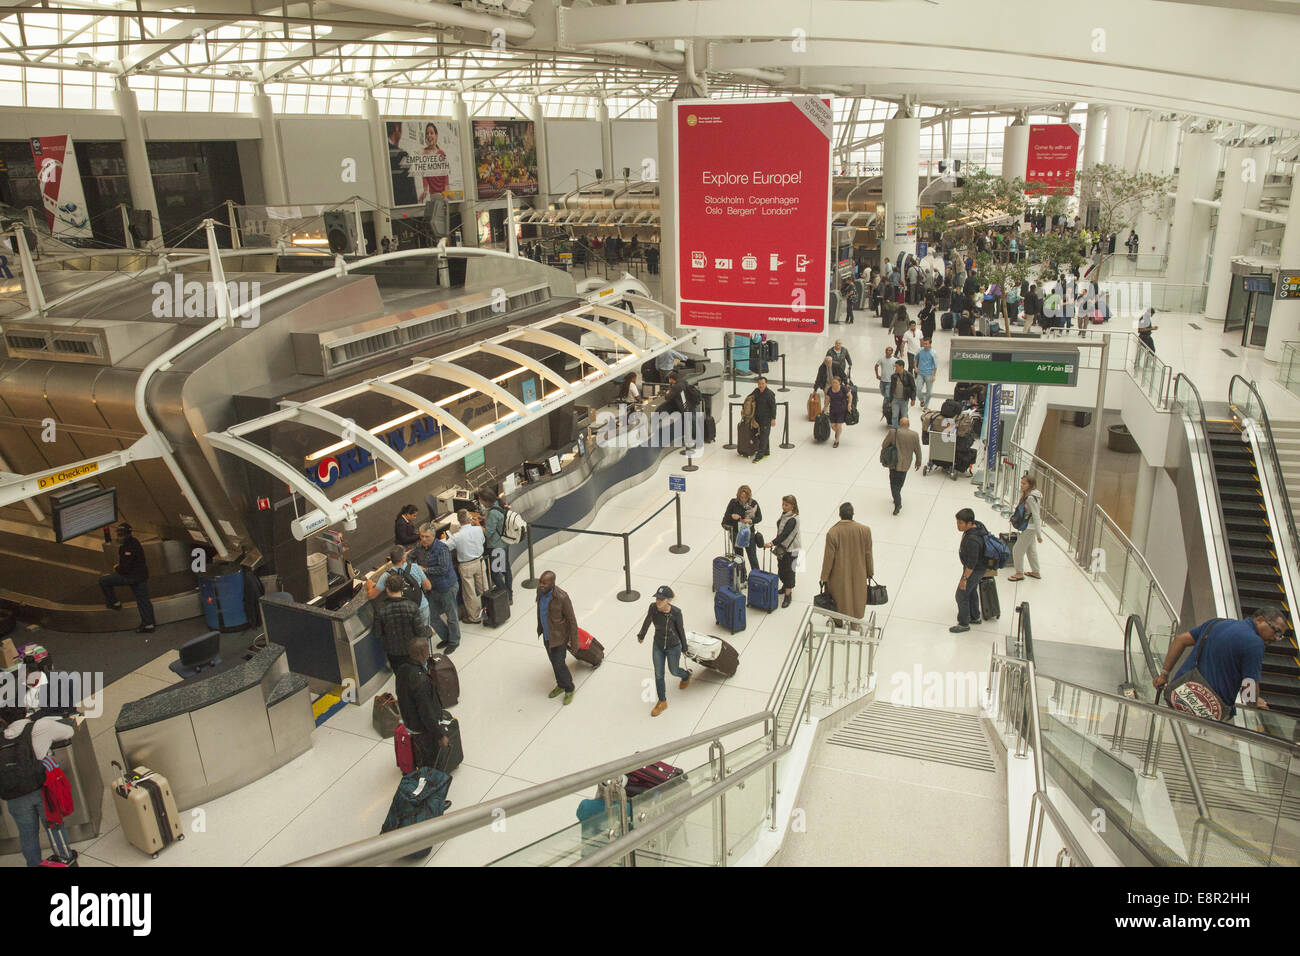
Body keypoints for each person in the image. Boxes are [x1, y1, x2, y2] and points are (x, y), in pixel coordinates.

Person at [1152, 605, 1287, 718]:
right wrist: (1254, 702)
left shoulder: (1217, 623)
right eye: (1276, 631)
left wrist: (1164, 675)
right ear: (1260, 619)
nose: (1276, 638)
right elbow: (1249, 687)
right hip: (1207, 714)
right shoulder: (1255, 644)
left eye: (1280, 636)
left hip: (1178, 695)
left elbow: (1181, 639)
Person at [0, 709, 76, 866]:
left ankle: (34, 864)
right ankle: (64, 857)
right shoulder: (40, 726)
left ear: (2, 720)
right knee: (54, 825)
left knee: (27, 833)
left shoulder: (2, 737)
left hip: (14, 793)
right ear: (26, 711)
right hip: (42, 788)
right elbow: (69, 731)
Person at [636, 585, 692, 717]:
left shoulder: (676, 613)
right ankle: (662, 701)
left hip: (673, 646)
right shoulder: (653, 608)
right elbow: (648, 621)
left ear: (668, 600)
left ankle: (686, 675)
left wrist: (684, 648)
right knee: (659, 674)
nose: (658, 601)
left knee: (673, 670)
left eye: (661, 599)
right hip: (658, 645)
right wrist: (642, 635)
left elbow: (681, 630)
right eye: (657, 598)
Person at [395, 638, 450, 771]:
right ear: (421, 653)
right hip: (423, 728)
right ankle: (431, 781)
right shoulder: (420, 680)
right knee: (432, 758)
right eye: (427, 650)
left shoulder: (402, 669)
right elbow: (426, 712)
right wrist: (440, 735)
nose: (429, 653)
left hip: (410, 722)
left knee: (422, 751)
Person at [411, 523, 461, 652]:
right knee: (431, 616)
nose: (423, 539)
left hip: (446, 586)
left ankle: (454, 641)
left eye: (427, 536)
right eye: (421, 536)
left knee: (451, 616)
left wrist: (424, 570)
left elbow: (443, 569)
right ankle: (446, 637)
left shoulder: (442, 548)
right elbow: (410, 557)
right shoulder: (419, 546)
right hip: (431, 589)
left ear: (433, 536)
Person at [820, 502, 874, 620]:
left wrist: (824, 577)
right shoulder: (865, 530)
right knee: (856, 597)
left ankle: (838, 621)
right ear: (853, 514)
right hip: (859, 572)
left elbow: (828, 558)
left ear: (840, 514)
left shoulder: (833, 532)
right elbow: (868, 554)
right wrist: (870, 571)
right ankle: (855, 621)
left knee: (840, 598)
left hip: (838, 574)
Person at [99, 522, 155, 633]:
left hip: (131, 577)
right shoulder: (135, 542)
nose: (119, 536)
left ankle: (114, 603)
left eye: (121, 534)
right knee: (143, 600)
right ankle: (149, 624)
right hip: (141, 576)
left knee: (104, 581)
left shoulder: (127, 548)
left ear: (127, 534)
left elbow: (125, 568)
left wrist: (117, 568)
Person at [535, 571, 577, 705]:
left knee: (559, 663)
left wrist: (574, 642)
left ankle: (569, 687)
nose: (540, 585)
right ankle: (560, 684)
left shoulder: (562, 597)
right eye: (540, 581)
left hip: (559, 637)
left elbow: (572, 620)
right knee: (554, 662)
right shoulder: (540, 591)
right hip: (547, 635)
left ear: (552, 584)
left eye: (544, 583)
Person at [376, 572, 432, 670]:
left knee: (401, 677)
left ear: (387, 589)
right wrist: (429, 630)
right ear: (402, 589)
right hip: (413, 650)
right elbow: (420, 632)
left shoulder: (380, 609)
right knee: (418, 674)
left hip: (393, 652)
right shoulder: (411, 606)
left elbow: (377, 633)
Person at [367, 545, 433, 627]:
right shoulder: (415, 567)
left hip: (406, 614)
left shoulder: (387, 576)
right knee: (426, 633)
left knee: (412, 638)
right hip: (422, 606)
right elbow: (428, 586)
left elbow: (372, 595)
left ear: (391, 560)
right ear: (403, 558)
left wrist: (369, 585)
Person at [951, 507, 989, 633]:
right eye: (957, 522)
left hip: (974, 570)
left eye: (961, 523)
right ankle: (975, 616)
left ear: (969, 523)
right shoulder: (976, 528)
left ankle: (964, 623)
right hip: (975, 568)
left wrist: (964, 578)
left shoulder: (973, 539)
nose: (958, 525)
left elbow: (972, 564)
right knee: (971, 591)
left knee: (961, 594)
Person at [449, 508, 488, 623]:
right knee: (484, 588)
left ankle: (475, 617)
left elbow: (447, 547)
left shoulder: (456, 536)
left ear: (459, 521)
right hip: (480, 561)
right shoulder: (478, 530)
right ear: (469, 518)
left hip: (466, 566)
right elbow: (482, 541)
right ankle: (488, 610)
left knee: (470, 593)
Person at [477, 489, 514, 604]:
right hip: (504, 543)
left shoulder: (492, 512)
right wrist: (484, 519)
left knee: (495, 573)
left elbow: (488, 533)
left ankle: (507, 594)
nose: (481, 503)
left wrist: (478, 525)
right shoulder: (499, 504)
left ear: (486, 501)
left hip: (497, 546)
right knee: (506, 569)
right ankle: (509, 593)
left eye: (481, 501)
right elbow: (499, 520)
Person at [764, 495, 801, 609]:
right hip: (783, 548)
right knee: (781, 569)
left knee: (789, 572)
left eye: (786, 505)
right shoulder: (785, 515)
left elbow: (785, 534)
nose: (783, 507)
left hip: (792, 549)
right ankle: (785, 586)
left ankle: (788, 595)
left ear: (793, 506)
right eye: (783, 504)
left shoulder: (793, 519)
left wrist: (772, 543)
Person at [881, 417, 923, 515]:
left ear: (899, 424)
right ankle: (897, 496)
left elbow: (884, 445)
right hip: (906, 464)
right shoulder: (914, 435)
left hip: (894, 462)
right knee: (900, 482)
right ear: (908, 425)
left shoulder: (893, 432)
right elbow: (918, 450)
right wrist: (918, 462)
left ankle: (897, 503)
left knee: (893, 483)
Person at [1006, 475, 1043, 582]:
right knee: (1030, 549)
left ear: (1030, 485)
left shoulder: (1031, 498)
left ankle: (1019, 573)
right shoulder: (1034, 494)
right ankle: (1035, 571)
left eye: (1024, 484)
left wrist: (1039, 535)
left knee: (1017, 549)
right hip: (1030, 527)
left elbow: (1036, 516)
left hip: (1030, 528)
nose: (1021, 485)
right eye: (1021, 483)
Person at [721, 485, 763, 582]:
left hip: (749, 535)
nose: (743, 499)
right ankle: (742, 576)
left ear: (749, 496)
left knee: (752, 556)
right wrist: (732, 515)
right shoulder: (733, 502)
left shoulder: (754, 503)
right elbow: (726, 515)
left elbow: (759, 518)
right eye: (741, 497)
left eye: (745, 497)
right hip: (736, 533)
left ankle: (756, 578)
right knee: (739, 557)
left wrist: (751, 520)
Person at [747, 377, 778, 463]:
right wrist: (744, 408)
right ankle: (766, 451)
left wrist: (773, 418)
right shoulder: (756, 391)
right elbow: (749, 398)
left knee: (764, 436)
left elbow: (773, 407)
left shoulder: (770, 394)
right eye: (759, 383)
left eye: (762, 384)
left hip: (766, 419)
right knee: (762, 435)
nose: (761, 385)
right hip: (757, 418)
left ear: (766, 384)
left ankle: (759, 455)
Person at [387, 121, 417, 205]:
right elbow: (409, 187)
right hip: (401, 205)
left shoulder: (380, 151)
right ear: (397, 128)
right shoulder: (401, 155)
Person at [418, 122, 449, 201]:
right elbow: (424, 176)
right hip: (434, 194)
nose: (429, 135)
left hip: (444, 192)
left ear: (436, 135)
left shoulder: (441, 153)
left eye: (431, 133)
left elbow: (445, 177)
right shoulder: (423, 154)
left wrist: (445, 195)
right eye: (427, 133)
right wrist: (425, 191)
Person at [887, 359, 916, 428]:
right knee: (894, 415)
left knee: (904, 415)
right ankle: (895, 429)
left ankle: (905, 429)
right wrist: (890, 400)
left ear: (901, 366)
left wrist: (913, 399)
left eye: (896, 366)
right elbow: (891, 389)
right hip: (895, 399)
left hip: (904, 399)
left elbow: (913, 388)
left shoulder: (909, 375)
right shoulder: (893, 376)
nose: (895, 368)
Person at [826, 376, 852, 447]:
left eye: (836, 382)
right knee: (833, 426)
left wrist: (849, 404)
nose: (834, 384)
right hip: (833, 410)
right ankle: (838, 432)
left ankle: (836, 441)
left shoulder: (843, 388)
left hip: (841, 410)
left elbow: (850, 396)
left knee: (838, 425)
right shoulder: (830, 389)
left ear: (839, 383)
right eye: (833, 382)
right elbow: (828, 399)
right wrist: (825, 408)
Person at [915, 338, 937, 408]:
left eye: (926, 344)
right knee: (918, 390)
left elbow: (935, 365)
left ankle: (926, 406)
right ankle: (922, 400)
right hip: (920, 373)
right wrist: (915, 367)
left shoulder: (933, 353)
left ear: (930, 344)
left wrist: (934, 375)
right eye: (924, 343)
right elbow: (915, 358)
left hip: (929, 374)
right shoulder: (920, 350)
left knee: (929, 392)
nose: (925, 345)